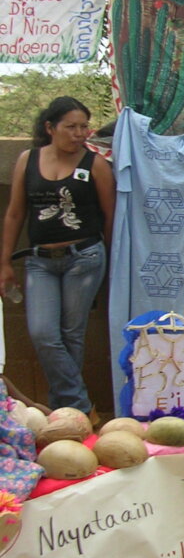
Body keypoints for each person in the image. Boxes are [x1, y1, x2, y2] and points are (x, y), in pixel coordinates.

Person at [0, 97, 115, 422]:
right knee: (43, 333)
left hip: (85, 258)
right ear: (50, 128)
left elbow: (110, 217)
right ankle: (80, 408)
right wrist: (5, 262)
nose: (79, 133)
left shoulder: (95, 164)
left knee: (71, 335)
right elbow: (14, 213)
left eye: (84, 126)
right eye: (71, 127)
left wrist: (110, 262)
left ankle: (63, 417)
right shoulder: (28, 160)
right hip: (40, 262)